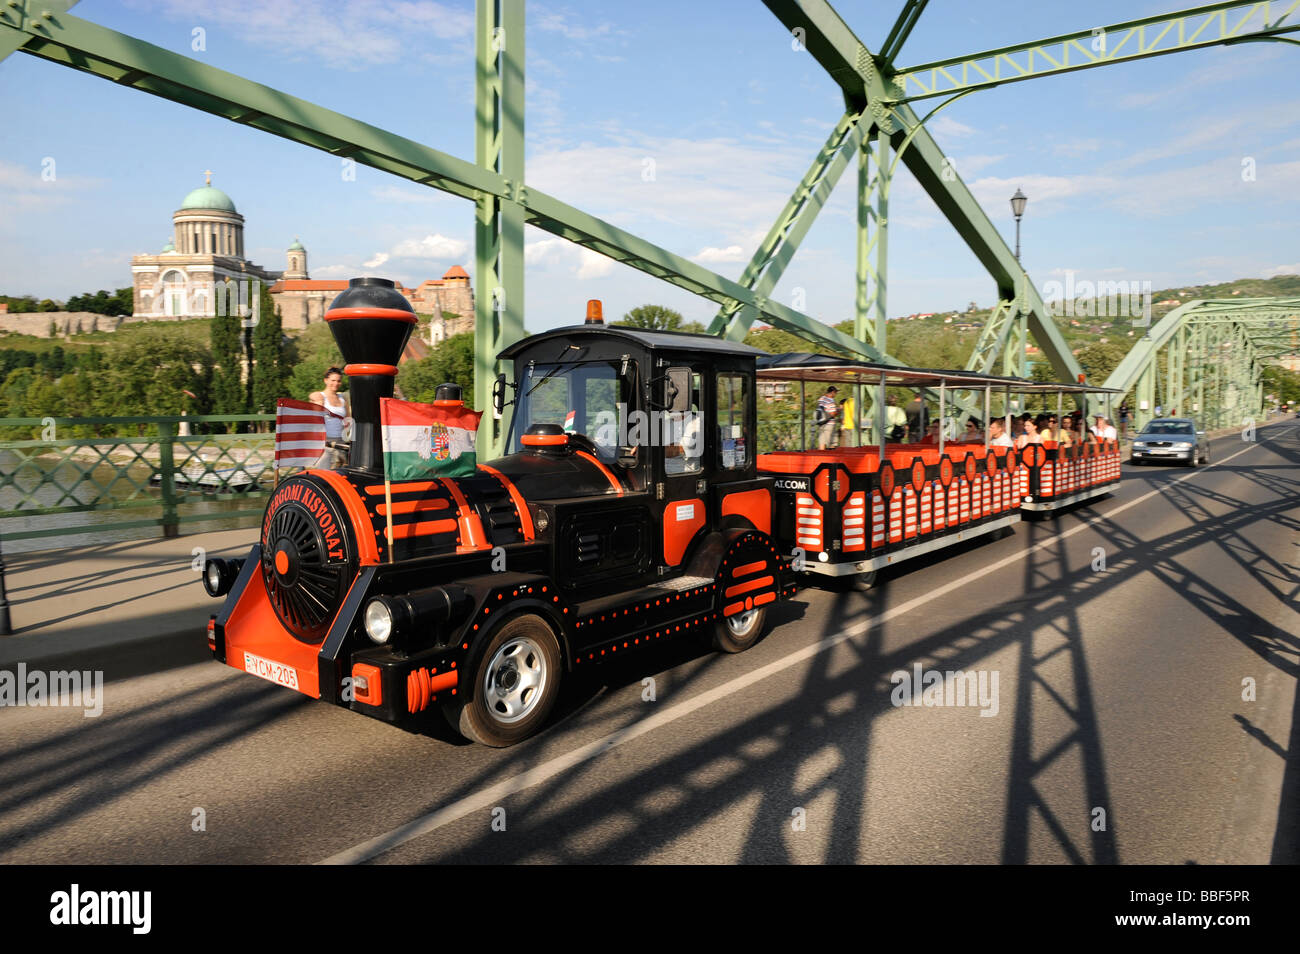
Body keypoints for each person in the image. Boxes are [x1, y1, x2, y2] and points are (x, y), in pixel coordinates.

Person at [309, 367, 351, 468]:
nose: (336, 383)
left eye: (338, 381)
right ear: (326, 380)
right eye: (333, 380)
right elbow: (313, 421)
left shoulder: (343, 398)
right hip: (324, 443)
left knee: (341, 476)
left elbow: (348, 421)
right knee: (323, 475)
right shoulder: (319, 397)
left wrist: (349, 440)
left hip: (340, 443)